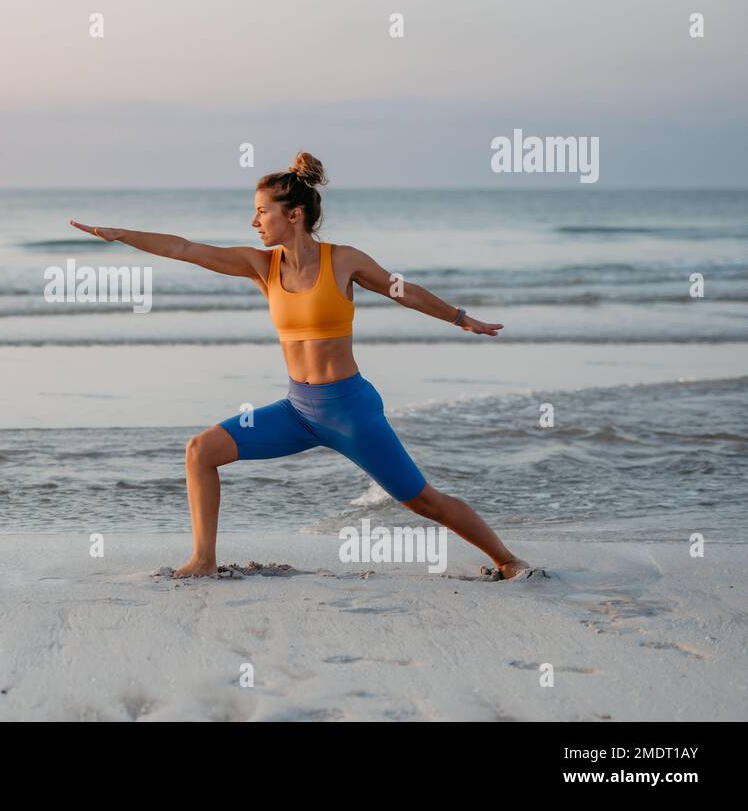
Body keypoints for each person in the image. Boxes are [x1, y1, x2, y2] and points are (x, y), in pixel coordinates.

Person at [70, 151, 533, 581]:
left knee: (424, 502)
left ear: (294, 215)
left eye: (262, 211)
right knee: (201, 451)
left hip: (350, 412)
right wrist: (120, 235)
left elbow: (402, 290)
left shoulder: (344, 260)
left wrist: (459, 318)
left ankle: (509, 562)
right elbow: (185, 249)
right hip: (297, 410)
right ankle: (203, 560)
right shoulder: (260, 266)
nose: (254, 222)